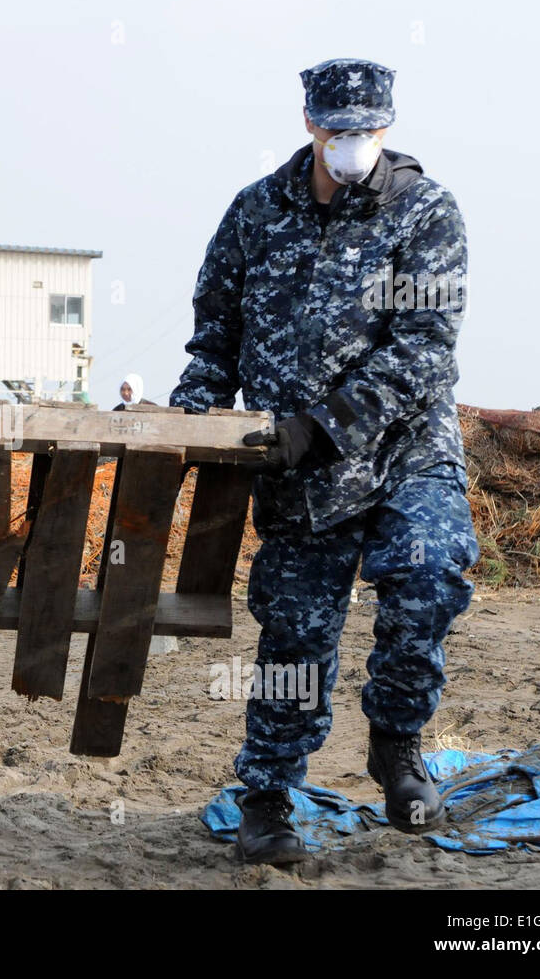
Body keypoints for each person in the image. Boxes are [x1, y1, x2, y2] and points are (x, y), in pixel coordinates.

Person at [170, 59, 478, 864]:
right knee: (295, 639)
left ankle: (397, 744)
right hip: (300, 473)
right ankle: (269, 797)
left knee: (430, 573)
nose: (353, 144)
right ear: (309, 123)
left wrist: (328, 422)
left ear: (389, 125)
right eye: (339, 130)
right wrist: (191, 417)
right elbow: (215, 338)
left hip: (405, 451)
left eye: (369, 129)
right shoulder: (255, 212)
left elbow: (425, 352)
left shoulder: (426, 212)